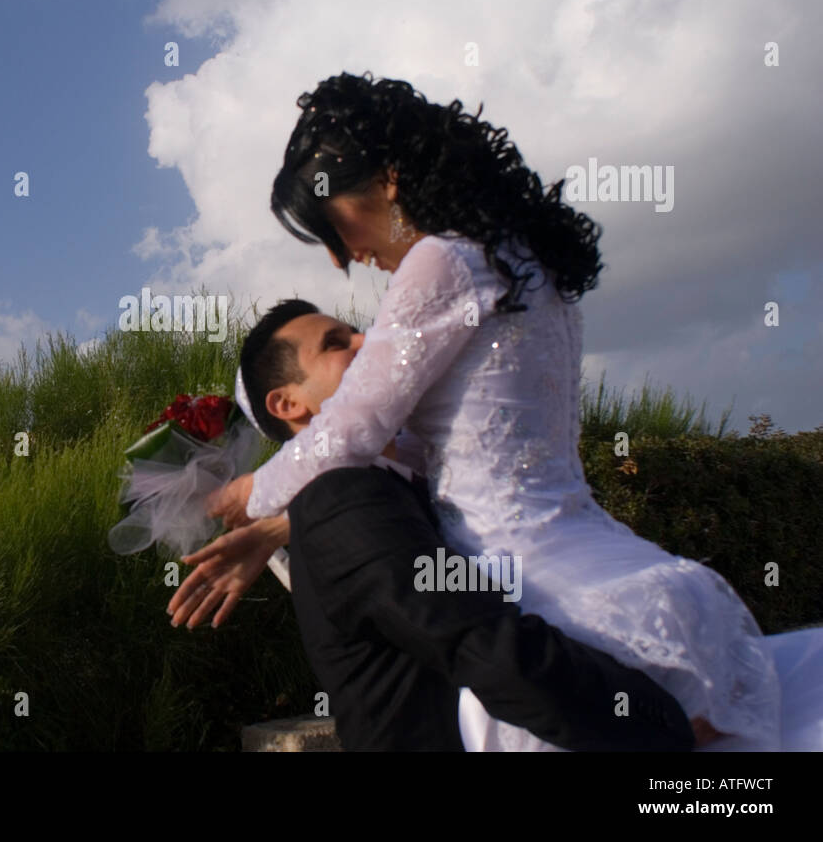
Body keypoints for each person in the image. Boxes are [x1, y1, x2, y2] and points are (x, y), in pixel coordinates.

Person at [205, 71, 819, 751]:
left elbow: (354, 428)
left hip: (536, 588)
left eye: (331, 225)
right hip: (619, 567)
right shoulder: (525, 261)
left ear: (386, 180)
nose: (342, 255)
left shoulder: (440, 261)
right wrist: (280, 527)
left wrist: (252, 491)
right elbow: (446, 444)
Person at [171, 299, 702, 750]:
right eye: (336, 344)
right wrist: (661, 725)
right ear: (288, 403)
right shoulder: (343, 499)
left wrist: (273, 527)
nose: (366, 342)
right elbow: (487, 644)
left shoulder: (395, 482)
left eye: (358, 331)